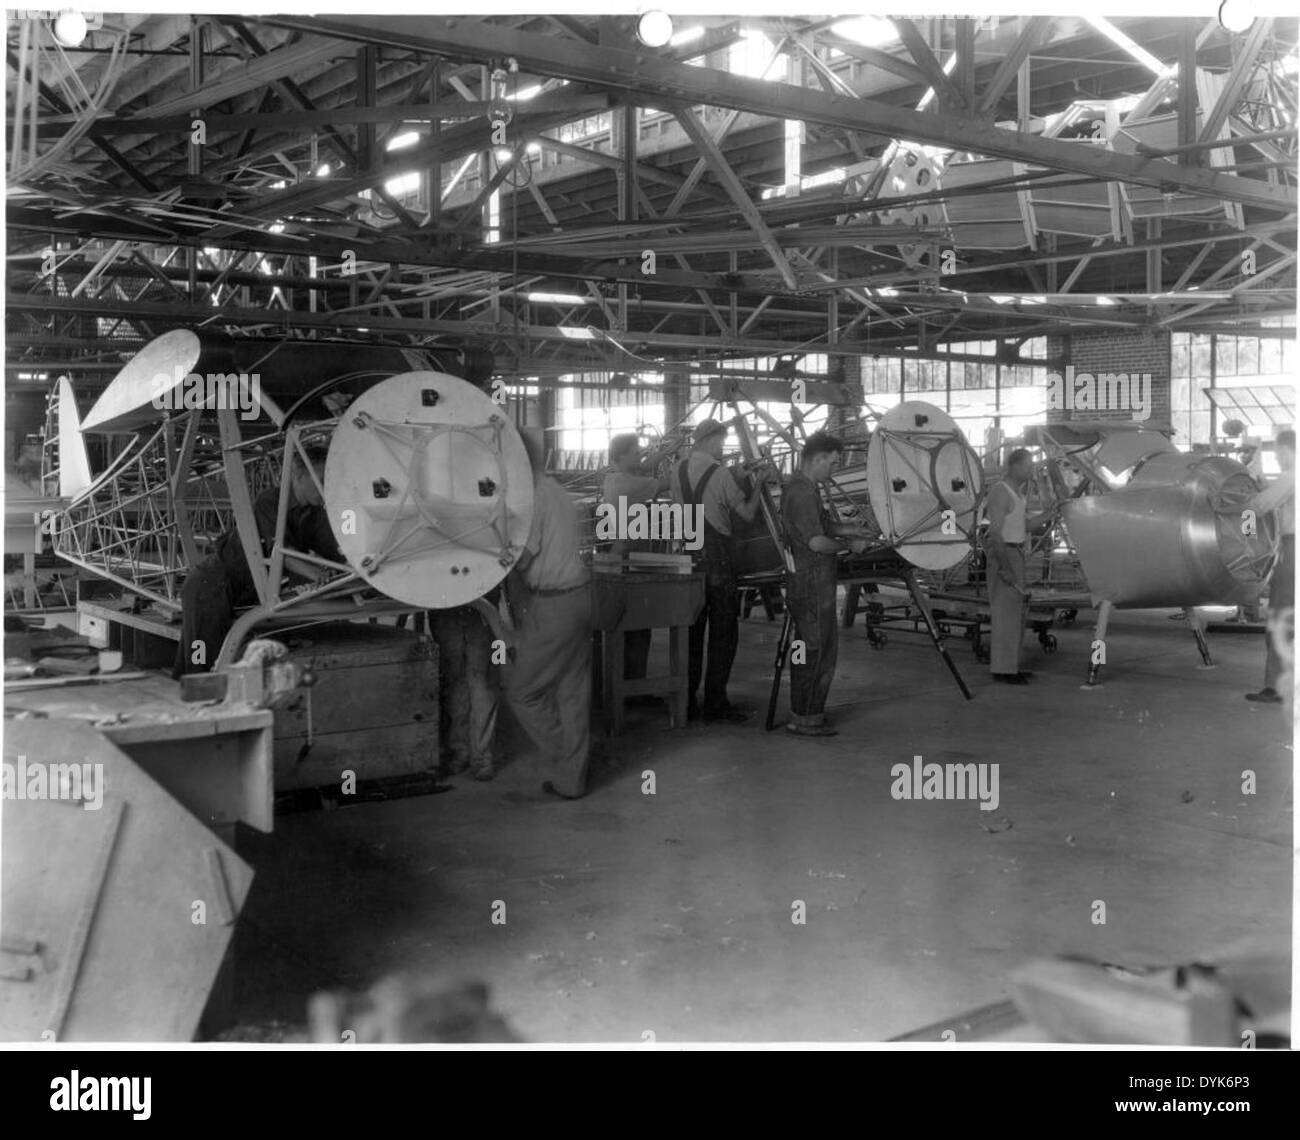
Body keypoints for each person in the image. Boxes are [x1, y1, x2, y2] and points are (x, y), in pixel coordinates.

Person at [175, 446, 341, 676]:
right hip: (210, 585)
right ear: (299, 476)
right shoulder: (270, 501)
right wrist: (320, 575)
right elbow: (282, 553)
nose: (326, 487)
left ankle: (215, 696)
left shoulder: (313, 514)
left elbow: (338, 550)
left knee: (228, 653)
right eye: (321, 479)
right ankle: (196, 694)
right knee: (201, 652)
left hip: (245, 589)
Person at [501, 433, 594, 800]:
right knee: (572, 692)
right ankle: (573, 780)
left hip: (555, 604)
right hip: (581, 597)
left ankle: (565, 761)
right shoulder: (556, 490)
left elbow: (521, 558)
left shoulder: (532, 498)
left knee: (522, 692)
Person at [672, 418, 770, 722]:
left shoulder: (677, 469)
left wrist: (738, 473)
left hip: (687, 555)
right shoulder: (719, 473)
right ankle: (715, 703)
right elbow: (747, 512)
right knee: (724, 631)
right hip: (717, 558)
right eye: (721, 442)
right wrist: (760, 483)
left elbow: (708, 489)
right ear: (712, 440)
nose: (721, 448)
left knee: (692, 630)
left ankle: (686, 702)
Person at [781, 432, 870, 737]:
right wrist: (848, 546)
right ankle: (805, 718)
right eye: (832, 463)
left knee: (809, 648)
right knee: (817, 650)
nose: (834, 469)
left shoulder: (803, 487)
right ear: (818, 459)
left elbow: (822, 527)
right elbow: (817, 542)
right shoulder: (803, 493)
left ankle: (805, 713)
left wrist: (847, 528)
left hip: (809, 582)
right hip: (811, 581)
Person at [600, 433, 669, 687]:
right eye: (635, 451)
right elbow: (667, 483)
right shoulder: (629, 484)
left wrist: (665, 450)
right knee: (639, 624)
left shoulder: (613, 478)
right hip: (630, 555)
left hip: (620, 552)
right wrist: (690, 464)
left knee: (629, 625)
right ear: (620, 456)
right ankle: (634, 686)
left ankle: (627, 685)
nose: (639, 454)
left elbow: (644, 467)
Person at [1246, 428, 1295, 704]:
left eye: (1277, 453)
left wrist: (1247, 536)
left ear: (1286, 449)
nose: (1277, 458)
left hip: (1292, 550)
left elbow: (1258, 506)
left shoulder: (1291, 475)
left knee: (1280, 619)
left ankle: (1275, 687)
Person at [983, 447, 1039, 685]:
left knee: (1015, 614)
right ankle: (1003, 669)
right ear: (1015, 466)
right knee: (1005, 614)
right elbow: (995, 534)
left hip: (1015, 553)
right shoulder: (1000, 492)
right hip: (1004, 553)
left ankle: (1009, 666)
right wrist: (1004, 567)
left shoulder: (1018, 492)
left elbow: (1023, 526)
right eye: (1028, 466)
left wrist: (1052, 514)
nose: (1031, 470)